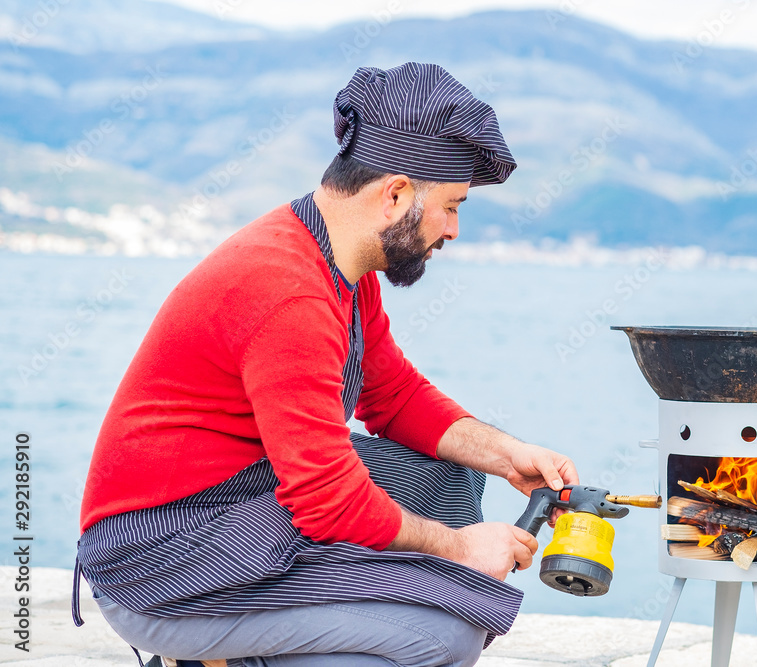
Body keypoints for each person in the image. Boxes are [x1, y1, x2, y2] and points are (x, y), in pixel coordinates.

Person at [73, 62, 579, 667]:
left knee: (451, 479)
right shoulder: (289, 291)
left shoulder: (338, 258)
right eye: (450, 206)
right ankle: (217, 656)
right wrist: (461, 548)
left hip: (241, 500)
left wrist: (506, 454)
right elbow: (328, 498)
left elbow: (391, 395)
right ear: (394, 196)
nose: (454, 229)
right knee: (443, 637)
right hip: (162, 560)